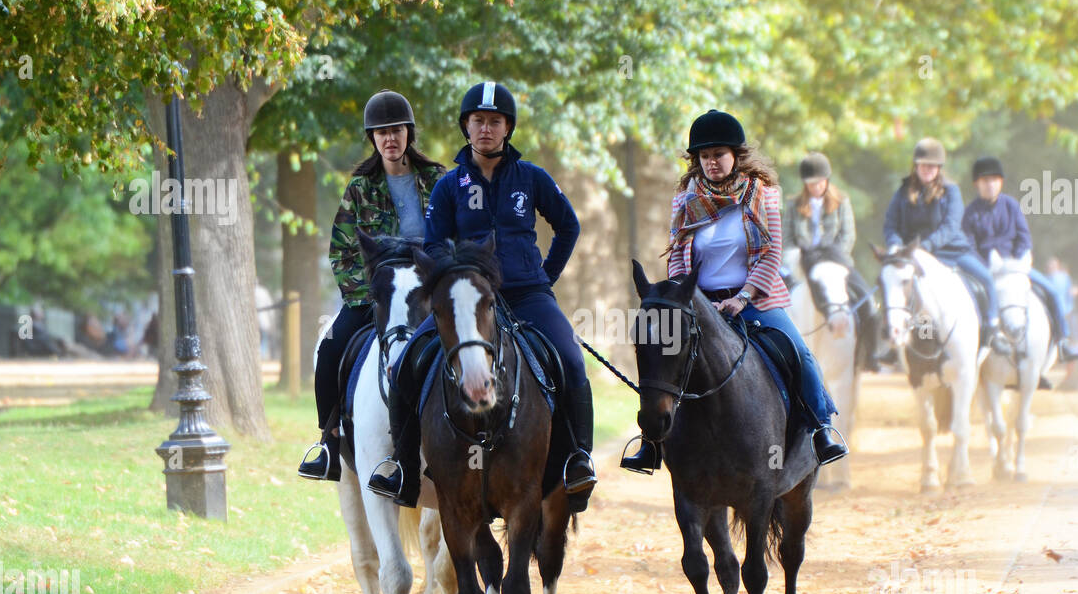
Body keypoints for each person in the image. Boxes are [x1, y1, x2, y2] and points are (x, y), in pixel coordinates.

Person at [389, 81, 597, 509]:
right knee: (408, 362)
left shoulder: (532, 178)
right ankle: (404, 468)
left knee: (572, 360)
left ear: (508, 128)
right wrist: (451, 287)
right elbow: (432, 247)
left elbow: (569, 226)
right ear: (466, 127)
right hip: (467, 302)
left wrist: (545, 276)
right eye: (478, 121)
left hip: (527, 294)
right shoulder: (449, 186)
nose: (486, 128)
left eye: (495, 121)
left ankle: (578, 460)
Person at [622, 109, 849, 471]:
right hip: (698, 301)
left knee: (800, 353)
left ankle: (822, 429)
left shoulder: (763, 193)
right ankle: (651, 443)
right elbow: (678, 255)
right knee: (660, 351)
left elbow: (772, 251)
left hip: (753, 299)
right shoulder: (684, 198)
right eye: (704, 156)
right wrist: (687, 296)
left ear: (735, 155)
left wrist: (742, 297)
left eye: (718, 155)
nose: (711, 162)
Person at [298, 89, 445, 483]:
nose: (389, 139)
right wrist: (372, 296)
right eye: (381, 133)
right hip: (378, 294)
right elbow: (342, 253)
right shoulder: (360, 188)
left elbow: (453, 241)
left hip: (429, 294)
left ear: (408, 134)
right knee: (330, 347)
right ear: (373, 139)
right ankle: (328, 442)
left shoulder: (437, 180)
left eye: (396, 130)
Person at [881, 138, 1003, 350]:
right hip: (912, 255)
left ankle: (992, 330)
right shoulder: (903, 191)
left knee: (986, 280)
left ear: (939, 168)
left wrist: (925, 247)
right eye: (923, 165)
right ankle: (894, 336)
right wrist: (895, 245)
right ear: (916, 166)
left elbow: (950, 226)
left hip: (951, 251)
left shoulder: (951, 191)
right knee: (891, 281)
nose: (928, 169)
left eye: (932, 166)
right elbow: (891, 224)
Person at [961, 156, 1078, 362]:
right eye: (985, 180)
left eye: (994, 180)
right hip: (989, 270)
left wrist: (1019, 260)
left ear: (1001, 182)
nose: (990, 184)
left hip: (1016, 266)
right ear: (976, 184)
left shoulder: (1012, 206)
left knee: (1051, 291)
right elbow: (969, 246)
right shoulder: (970, 213)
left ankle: (1063, 340)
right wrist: (985, 266)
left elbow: (1024, 237)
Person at [787, 151, 882, 370]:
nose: (816, 187)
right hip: (803, 265)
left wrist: (831, 262)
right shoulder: (794, 204)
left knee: (869, 303)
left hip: (836, 264)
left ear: (827, 180)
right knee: (781, 303)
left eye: (819, 182)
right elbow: (788, 239)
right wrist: (801, 261)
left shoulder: (842, 201)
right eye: (811, 183)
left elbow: (848, 236)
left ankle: (871, 354)